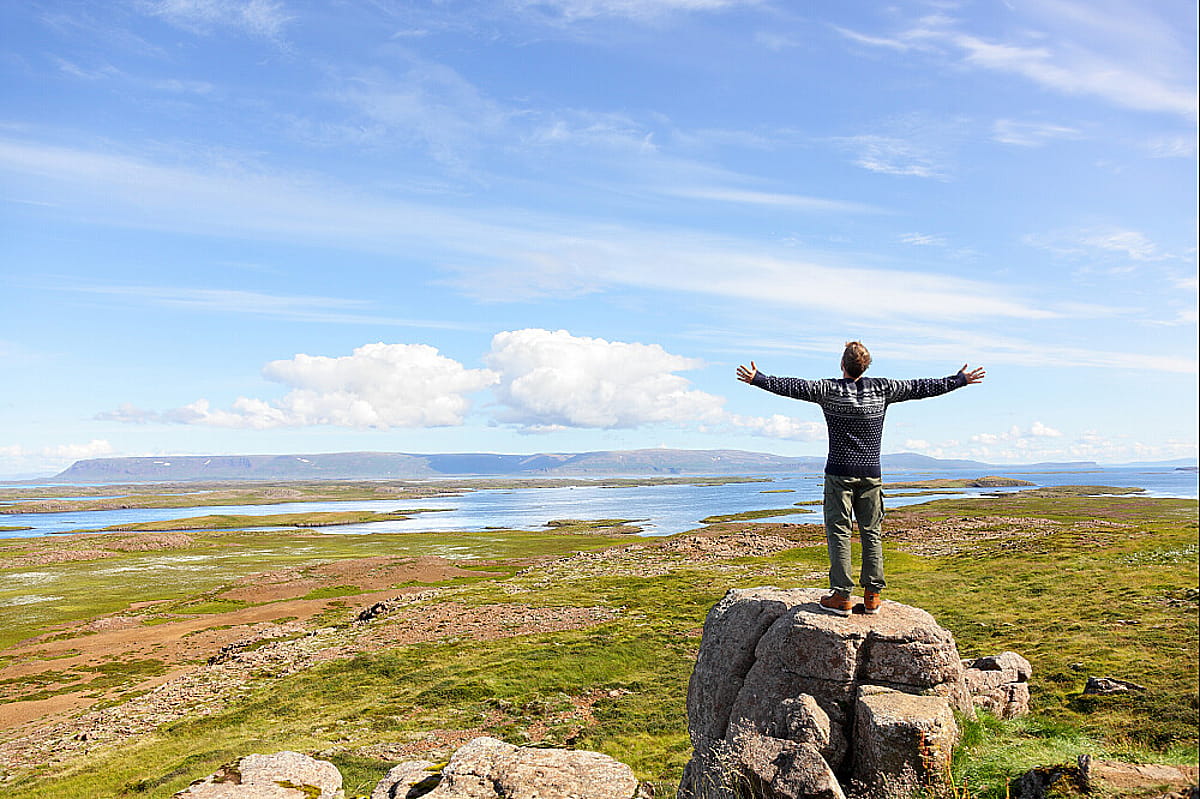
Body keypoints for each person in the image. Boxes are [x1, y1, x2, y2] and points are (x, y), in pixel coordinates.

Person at [736, 341, 985, 616]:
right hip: (870, 474)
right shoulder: (882, 388)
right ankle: (872, 597)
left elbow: (793, 386)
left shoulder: (828, 389)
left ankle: (841, 597)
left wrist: (758, 379)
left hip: (838, 473)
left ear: (842, 365)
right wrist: (959, 380)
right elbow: (922, 387)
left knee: (839, 532)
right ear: (866, 367)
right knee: (871, 531)